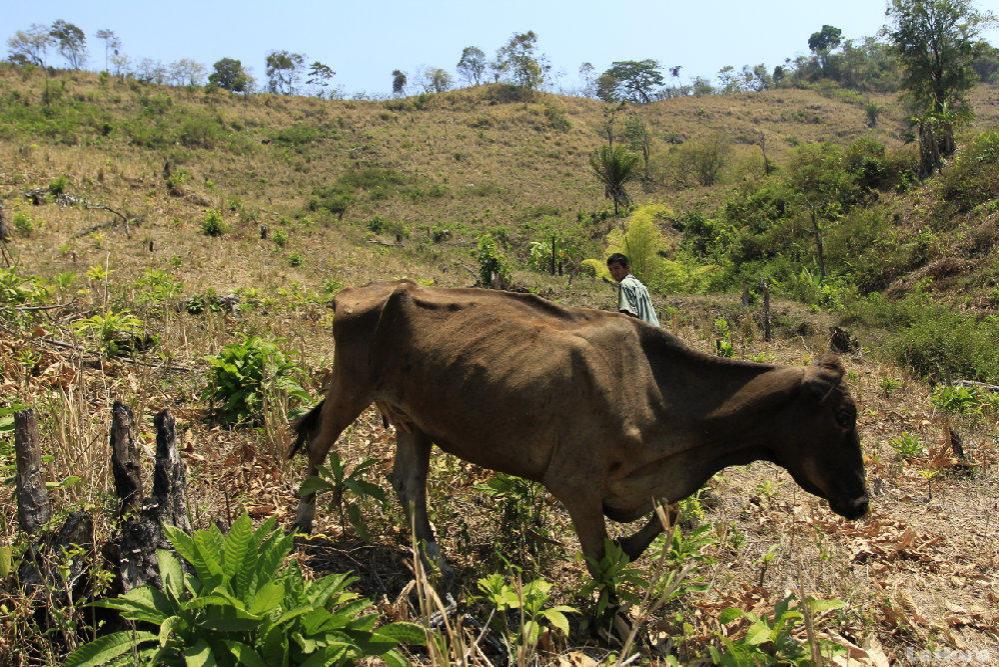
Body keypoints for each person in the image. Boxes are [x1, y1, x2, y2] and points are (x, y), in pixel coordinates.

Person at [606, 253, 660, 327]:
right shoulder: (639, 284)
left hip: (642, 331)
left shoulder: (625, 284)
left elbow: (629, 316)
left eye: (617, 268)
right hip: (655, 329)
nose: (613, 272)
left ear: (627, 268)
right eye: (610, 269)